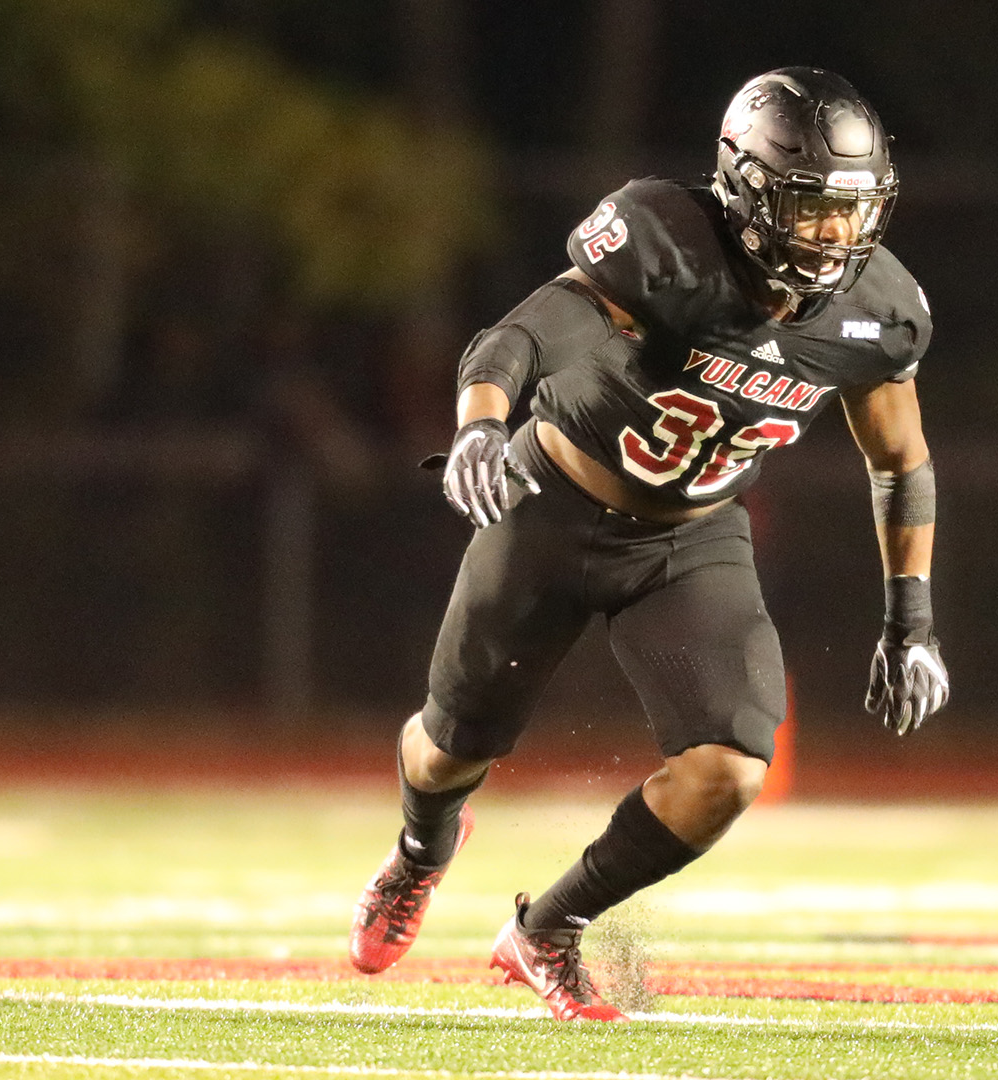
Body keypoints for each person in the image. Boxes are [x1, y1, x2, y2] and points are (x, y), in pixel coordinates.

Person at [347, 68, 951, 1020]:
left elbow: (901, 461)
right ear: (748, 191)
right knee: (446, 753)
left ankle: (547, 928)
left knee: (731, 769)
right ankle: (422, 852)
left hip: (690, 539)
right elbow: (525, 334)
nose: (839, 237)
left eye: (853, 211)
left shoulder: (876, 312)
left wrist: (910, 620)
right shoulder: (668, 248)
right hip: (549, 505)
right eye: (813, 208)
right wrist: (477, 427)